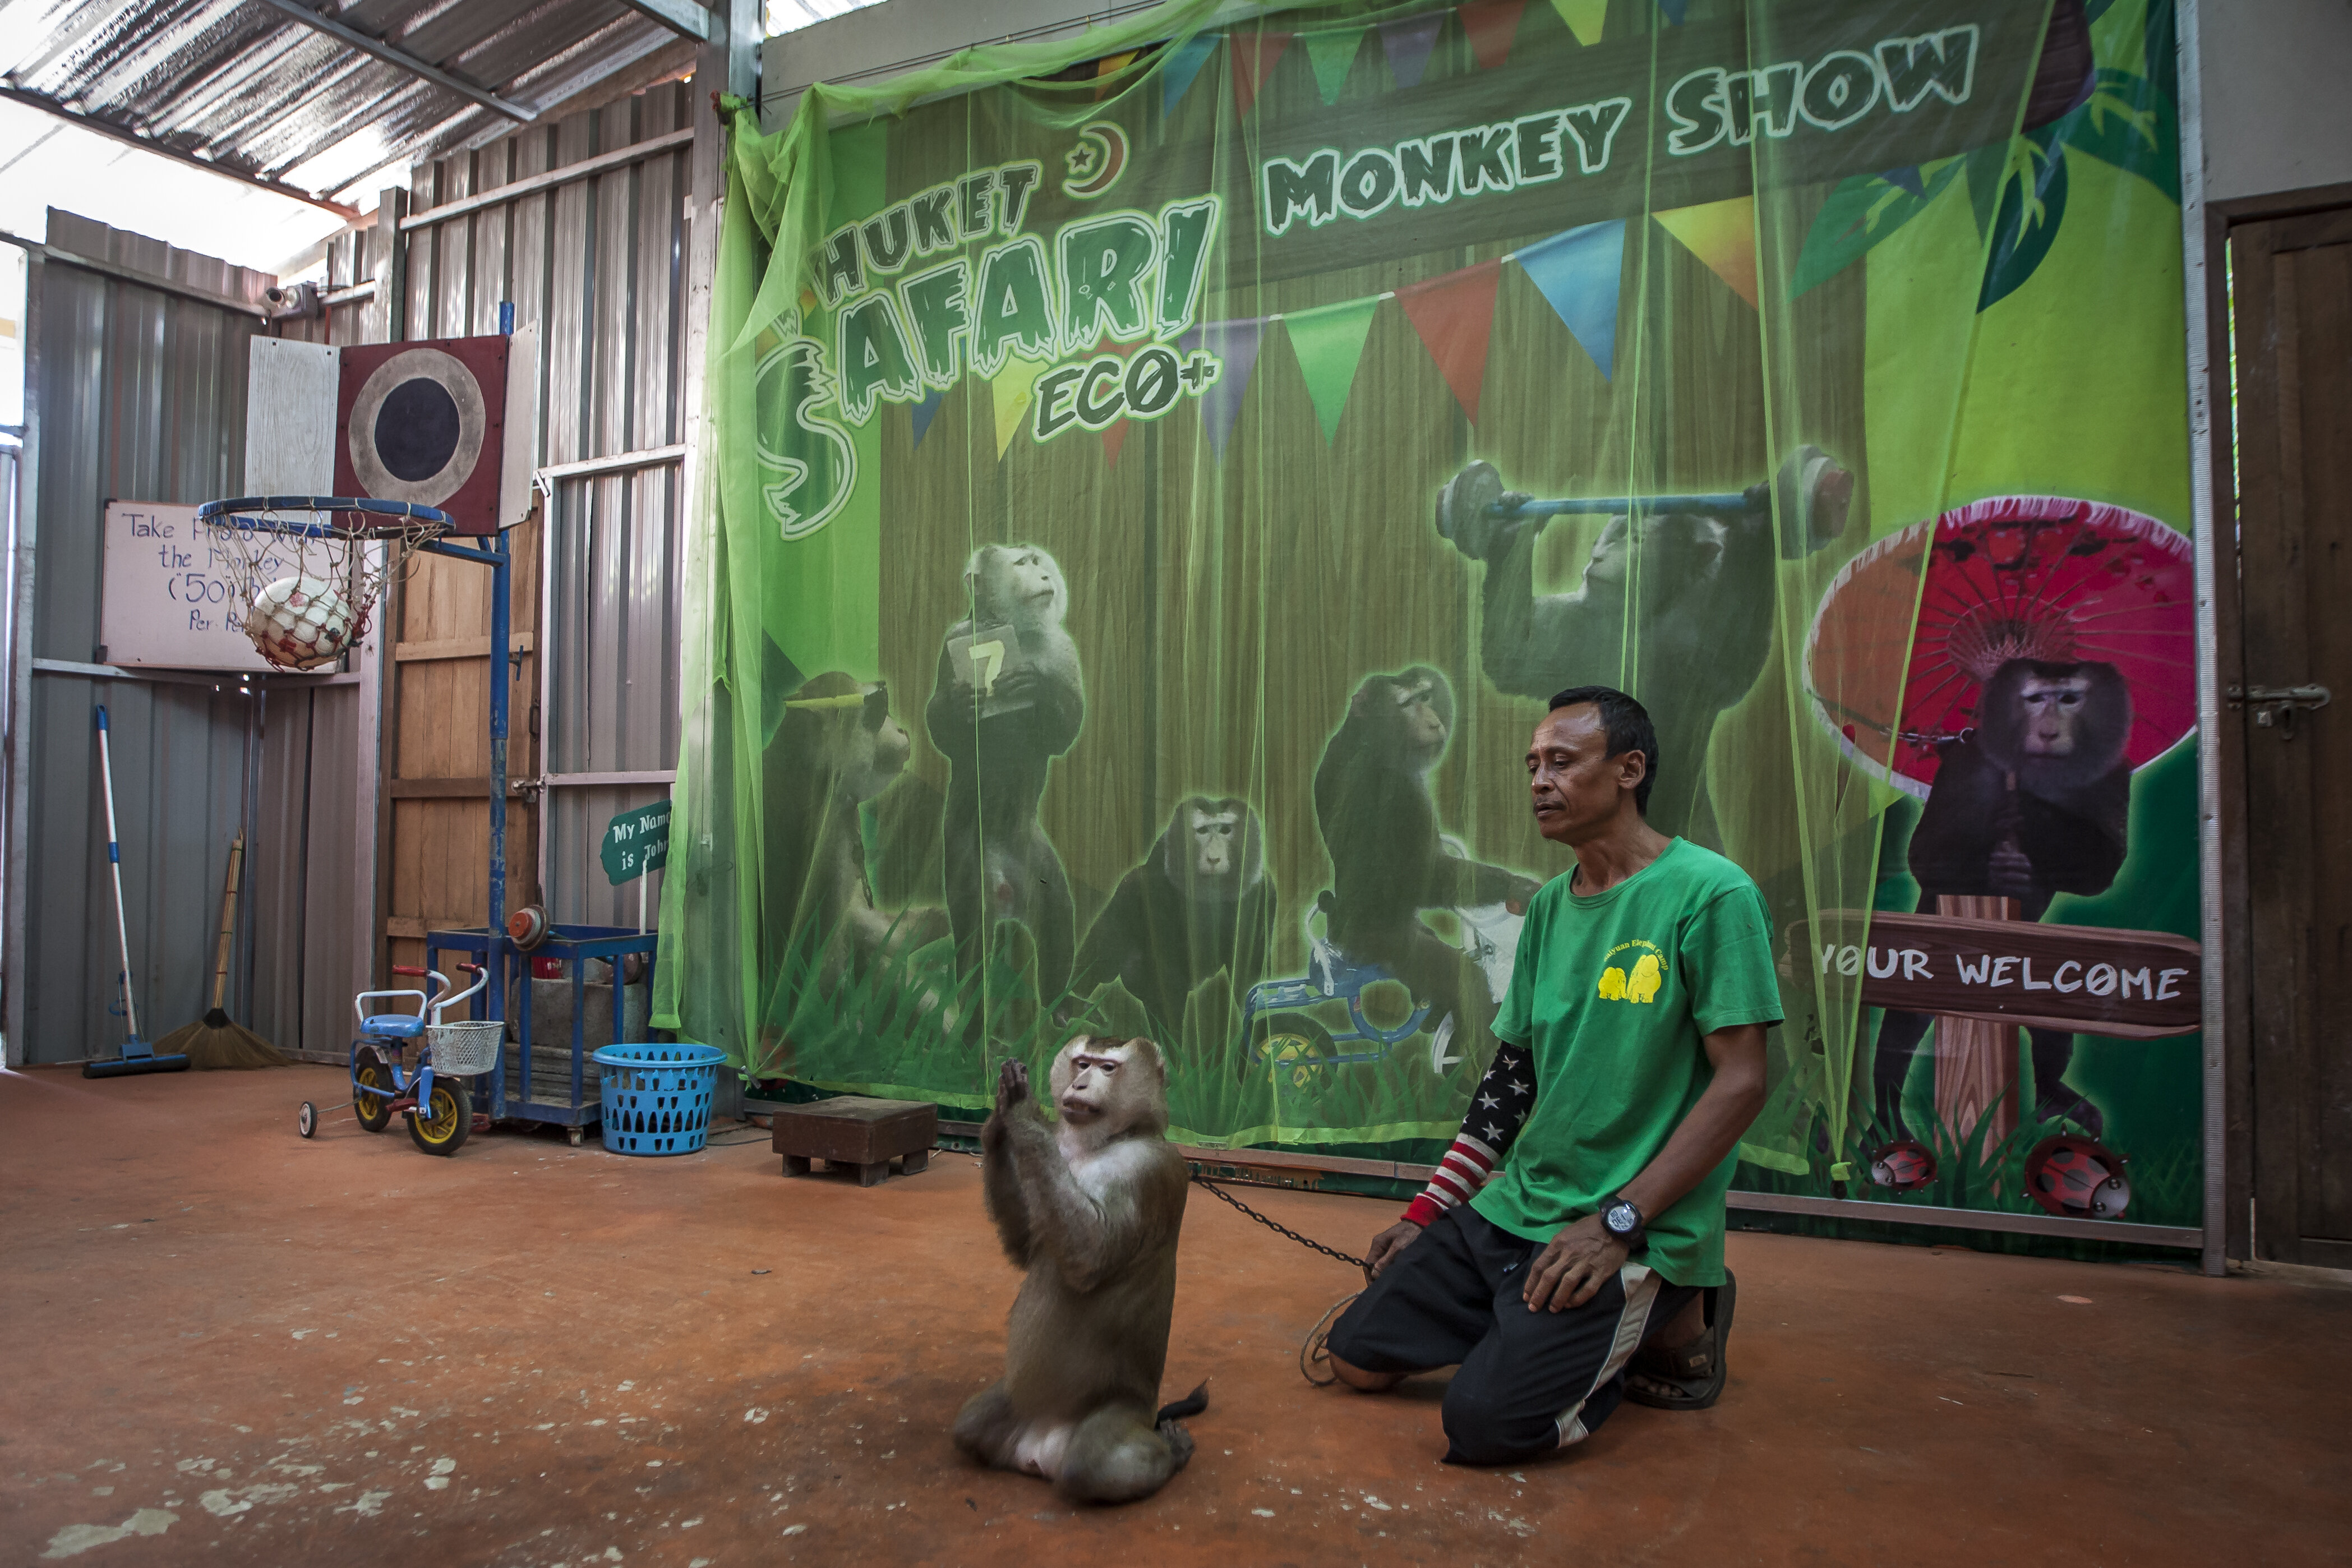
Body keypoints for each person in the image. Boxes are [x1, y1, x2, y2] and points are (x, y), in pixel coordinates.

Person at [1322, 685, 1780, 1464]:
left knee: (1486, 1427)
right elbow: (1512, 1079)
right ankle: (1536, 1323)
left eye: (1562, 762)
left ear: (1629, 769)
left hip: (1628, 1222)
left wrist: (1618, 1224)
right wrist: (1429, 1211)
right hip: (1522, 1205)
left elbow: (1741, 1082)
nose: (1539, 781)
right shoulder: (1547, 911)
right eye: (1532, 764)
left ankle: (1679, 1308)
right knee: (1354, 1359)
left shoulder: (1710, 892)